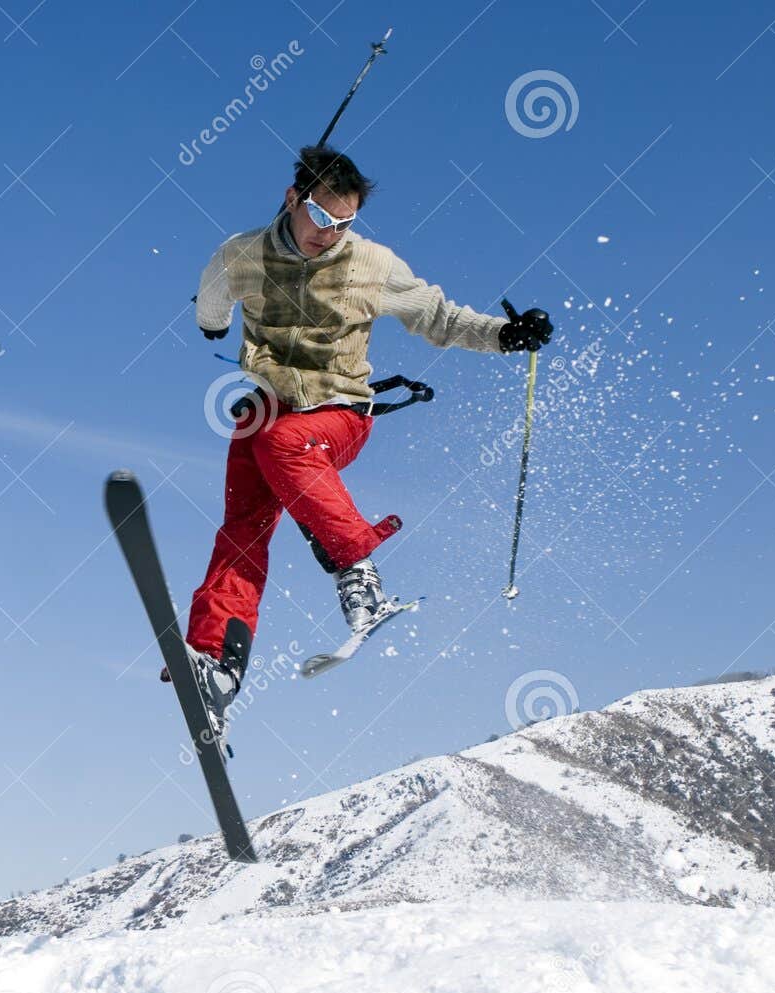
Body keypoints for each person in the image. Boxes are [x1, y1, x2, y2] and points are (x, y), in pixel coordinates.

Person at [179, 144, 552, 723]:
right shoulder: (242, 253)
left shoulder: (372, 265)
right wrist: (212, 321)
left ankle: (361, 578)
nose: (329, 234)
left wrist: (506, 335)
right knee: (242, 529)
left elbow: (439, 316)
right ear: (292, 200)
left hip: (338, 414)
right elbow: (212, 300)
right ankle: (216, 661)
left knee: (285, 443)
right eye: (323, 218)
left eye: (344, 223)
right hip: (266, 409)